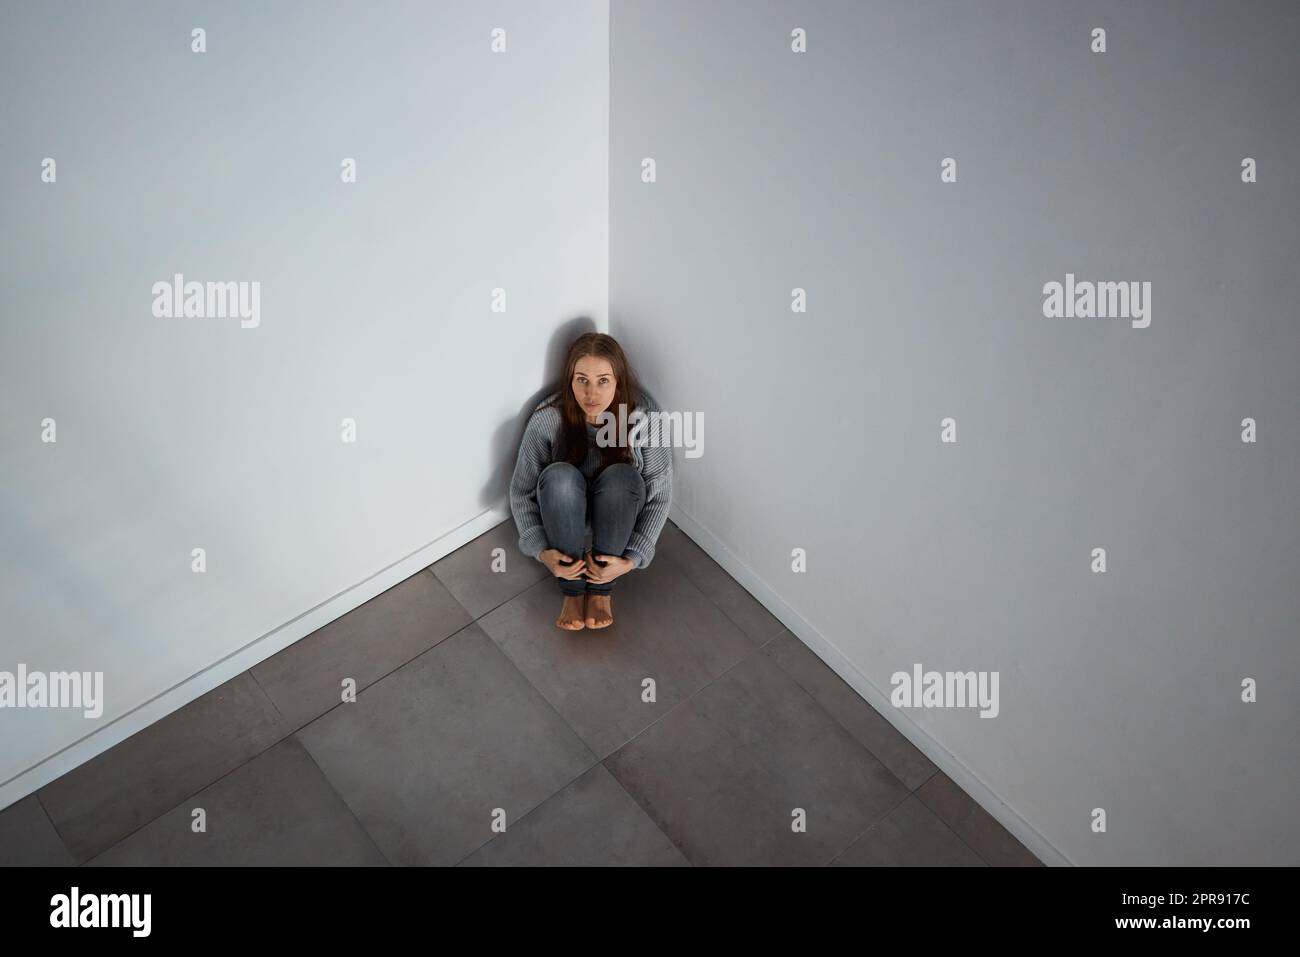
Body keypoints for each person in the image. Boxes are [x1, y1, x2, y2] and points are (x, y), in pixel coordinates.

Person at [509, 333, 673, 630]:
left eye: (603, 381)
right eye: (582, 380)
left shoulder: (644, 419)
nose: (591, 394)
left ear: (619, 381)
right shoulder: (548, 418)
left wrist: (634, 558)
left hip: (618, 508)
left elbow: (660, 494)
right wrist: (541, 550)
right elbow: (521, 491)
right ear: (569, 381)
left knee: (623, 475)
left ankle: (600, 590)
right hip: (564, 509)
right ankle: (571, 590)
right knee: (558, 476)